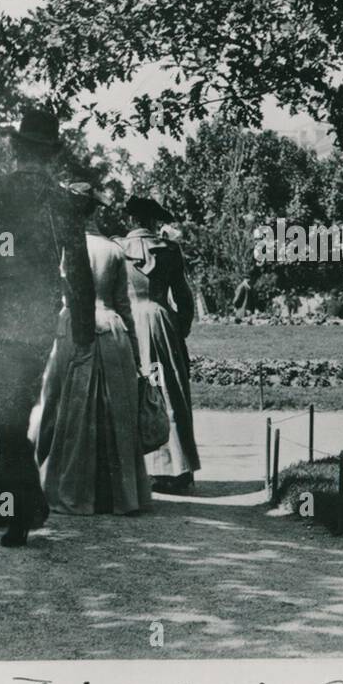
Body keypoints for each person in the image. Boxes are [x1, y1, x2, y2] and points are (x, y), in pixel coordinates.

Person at [0, 102, 96, 548]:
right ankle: (10, 504)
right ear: (50, 154)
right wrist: (84, 329)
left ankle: (15, 509)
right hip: (37, 319)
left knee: (5, 414)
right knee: (17, 411)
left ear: (17, 149)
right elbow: (79, 267)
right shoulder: (62, 200)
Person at [39, 184, 152, 515]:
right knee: (115, 412)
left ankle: (70, 486)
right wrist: (135, 351)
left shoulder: (62, 247)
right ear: (94, 210)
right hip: (111, 330)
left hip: (74, 327)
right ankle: (115, 495)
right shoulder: (113, 250)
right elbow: (123, 305)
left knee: (66, 406)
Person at [119, 195, 201, 493]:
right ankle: (177, 469)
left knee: (135, 391)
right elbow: (184, 298)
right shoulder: (169, 250)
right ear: (154, 220)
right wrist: (178, 329)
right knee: (170, 390)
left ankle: (141, 469)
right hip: (162, 320)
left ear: (130, 219)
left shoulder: (118, 248)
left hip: (129, 321)